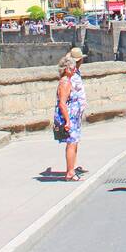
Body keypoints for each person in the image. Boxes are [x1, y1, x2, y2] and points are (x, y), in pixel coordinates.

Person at [53, 48, 87, 181]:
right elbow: (62, 103)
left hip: (73, 115)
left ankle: (71, 170)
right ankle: (70, 173)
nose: (74, 71)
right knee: (71, 143)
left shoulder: (67, 80)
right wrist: (67, 120)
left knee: (73, 142)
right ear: (67, 69)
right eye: (72, 69)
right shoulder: (65, 82)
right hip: (70, 117)